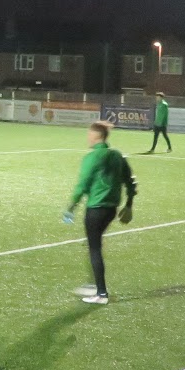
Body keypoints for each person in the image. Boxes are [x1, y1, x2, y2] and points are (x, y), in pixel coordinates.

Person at [62, 121, 137, 305]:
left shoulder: (92, 157)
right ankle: (94, 284)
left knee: (94, 248)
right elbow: (130, 181)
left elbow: (83, 184)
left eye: (89, 134)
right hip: (111, 209)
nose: (88, 138)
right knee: (93, 244)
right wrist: (128, 205)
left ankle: (101, 293)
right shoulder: (117, 156)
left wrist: (71, 207)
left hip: (95, 209)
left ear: (96, 136)